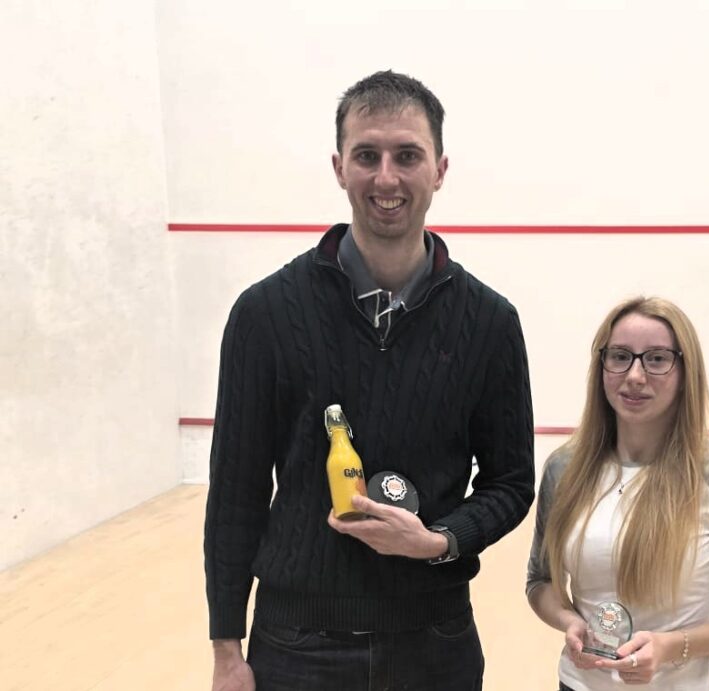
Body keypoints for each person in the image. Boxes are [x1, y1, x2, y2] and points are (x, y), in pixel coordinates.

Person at [205, 70, 535, 691]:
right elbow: (235, 493)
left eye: (407, 156)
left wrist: (439, 541)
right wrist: (227, 648)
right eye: (367, 156)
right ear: (339, 168)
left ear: (439, 169)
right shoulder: (264, 313)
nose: (386, 178)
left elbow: (511, 483)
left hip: (435, 644)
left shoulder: (491, 322)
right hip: (295, 646)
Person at [526, 297, 709, 690]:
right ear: (601, 366)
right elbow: (540, 580)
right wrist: (569, 621)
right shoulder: (564, 469)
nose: (634, 375)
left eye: (657, 359)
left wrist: (671, 647)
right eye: (620, 357)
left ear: (685, 371)